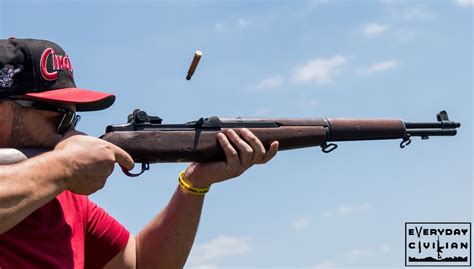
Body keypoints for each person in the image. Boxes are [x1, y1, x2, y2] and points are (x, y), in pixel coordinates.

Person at [0, 38, 279, 268]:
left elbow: (143, 263)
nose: (71, 132)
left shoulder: (66, 199)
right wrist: (64, 165)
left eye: (73, 119)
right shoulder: (61, 173)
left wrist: (194, 184)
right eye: (60, 117)